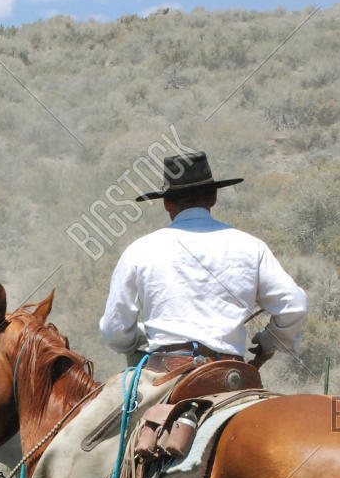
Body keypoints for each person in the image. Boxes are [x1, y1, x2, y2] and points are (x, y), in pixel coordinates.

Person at [99, 151, 307, 368]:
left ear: (167, 203)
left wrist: (142, 335)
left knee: (98, 403)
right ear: (213, 198)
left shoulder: (139, 250)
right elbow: (294, 305)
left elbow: (115, 331)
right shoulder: (252, 247)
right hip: (231, 373)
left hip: (165, 373)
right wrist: (271, 340)